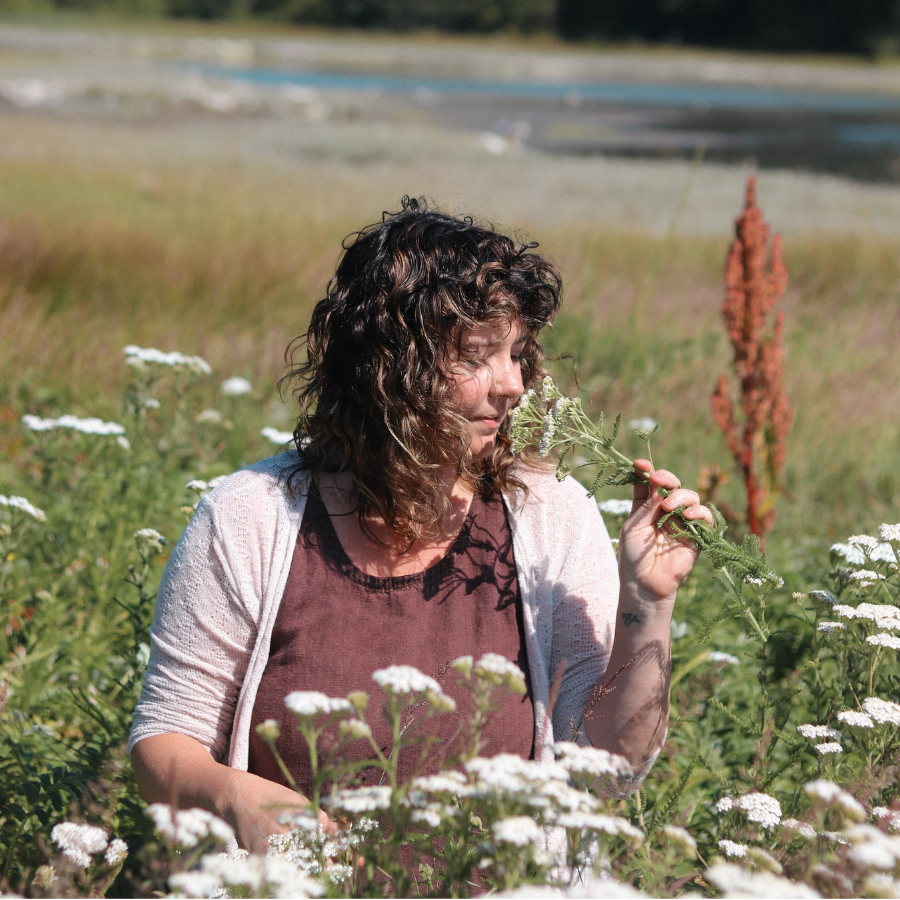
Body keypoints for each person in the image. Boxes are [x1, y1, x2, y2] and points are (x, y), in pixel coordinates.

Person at [129, 197, 713, 854]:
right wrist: (236, 798)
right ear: (386, 365)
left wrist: (649, 601)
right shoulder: (251, 518)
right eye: (478, 354)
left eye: (518, 353)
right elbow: (163, 746)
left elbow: (610, 771)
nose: (513, 384)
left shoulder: (553, 518)